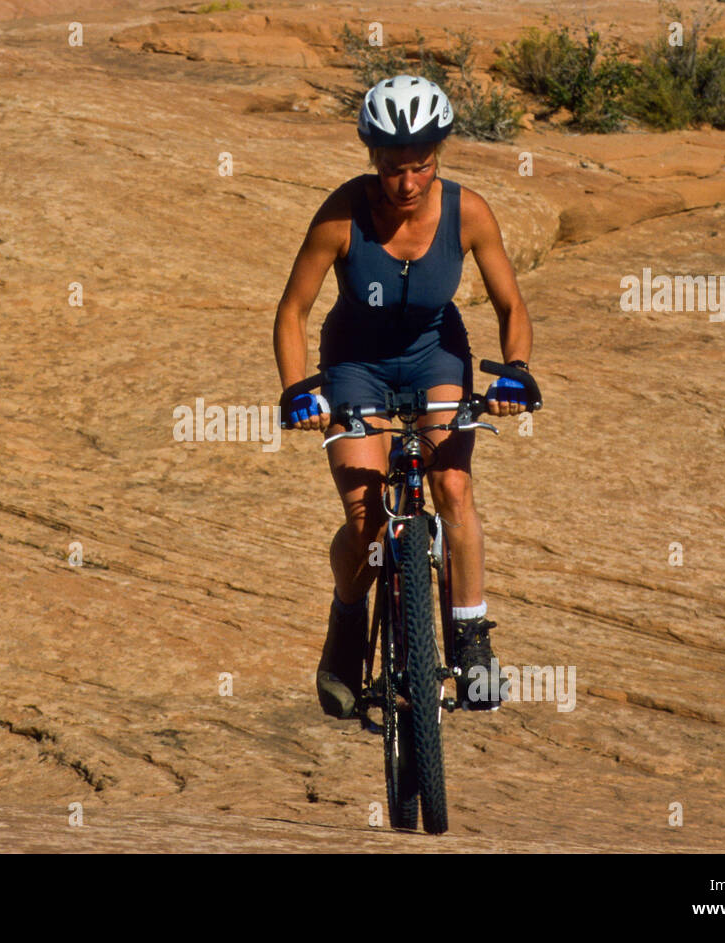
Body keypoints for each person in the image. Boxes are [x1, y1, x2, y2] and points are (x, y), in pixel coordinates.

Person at [272, 74, 535, 718]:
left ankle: (472, 647)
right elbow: (292, 310)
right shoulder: (341, 215)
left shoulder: (468, 212)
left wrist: (516, 372)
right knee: (365, 520)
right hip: (355, 362)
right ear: (372, 160)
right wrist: (297, 390)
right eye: (393, 169)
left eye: (421, 166)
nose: (408, 183)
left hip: (433, 355)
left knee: (453, 489)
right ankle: (344, 630)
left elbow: (511, 304)